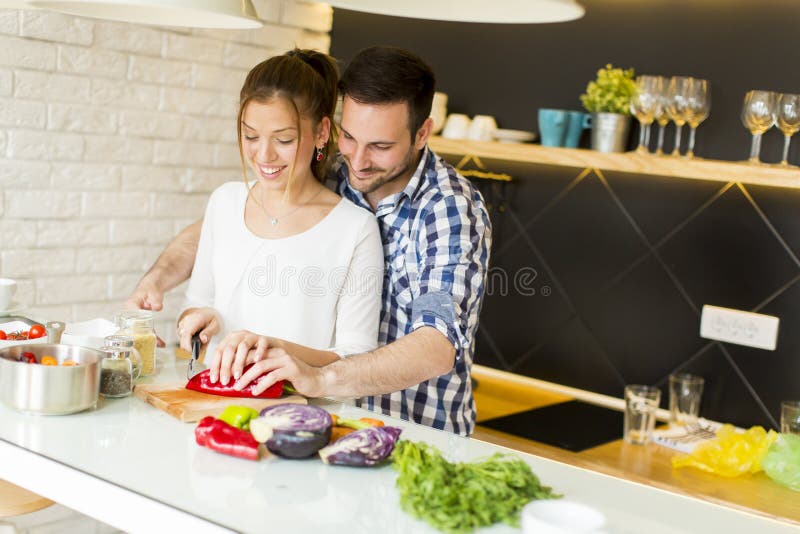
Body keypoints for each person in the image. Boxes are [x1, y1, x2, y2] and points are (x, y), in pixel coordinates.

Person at [128, 46, 492, 436]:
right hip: (333, 419)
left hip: (416, 425)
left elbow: (435, 345)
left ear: (422, 133)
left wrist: (318, 378)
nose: (359, 159)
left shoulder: (450, 211)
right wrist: (158, 278)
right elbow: (225, 224)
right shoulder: (335, 170)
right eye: (349, 137)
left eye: (381, 146)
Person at [177, 48, 383, 365]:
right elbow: (198, 302)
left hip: (299, 411)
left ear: (322, 132)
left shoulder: (354, 229)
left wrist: (274, 349)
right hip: (215, 403)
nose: (263, 155)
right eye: (250, 136)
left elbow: (356, 358)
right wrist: (201, 319)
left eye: (284, 140)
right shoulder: (225, 201)